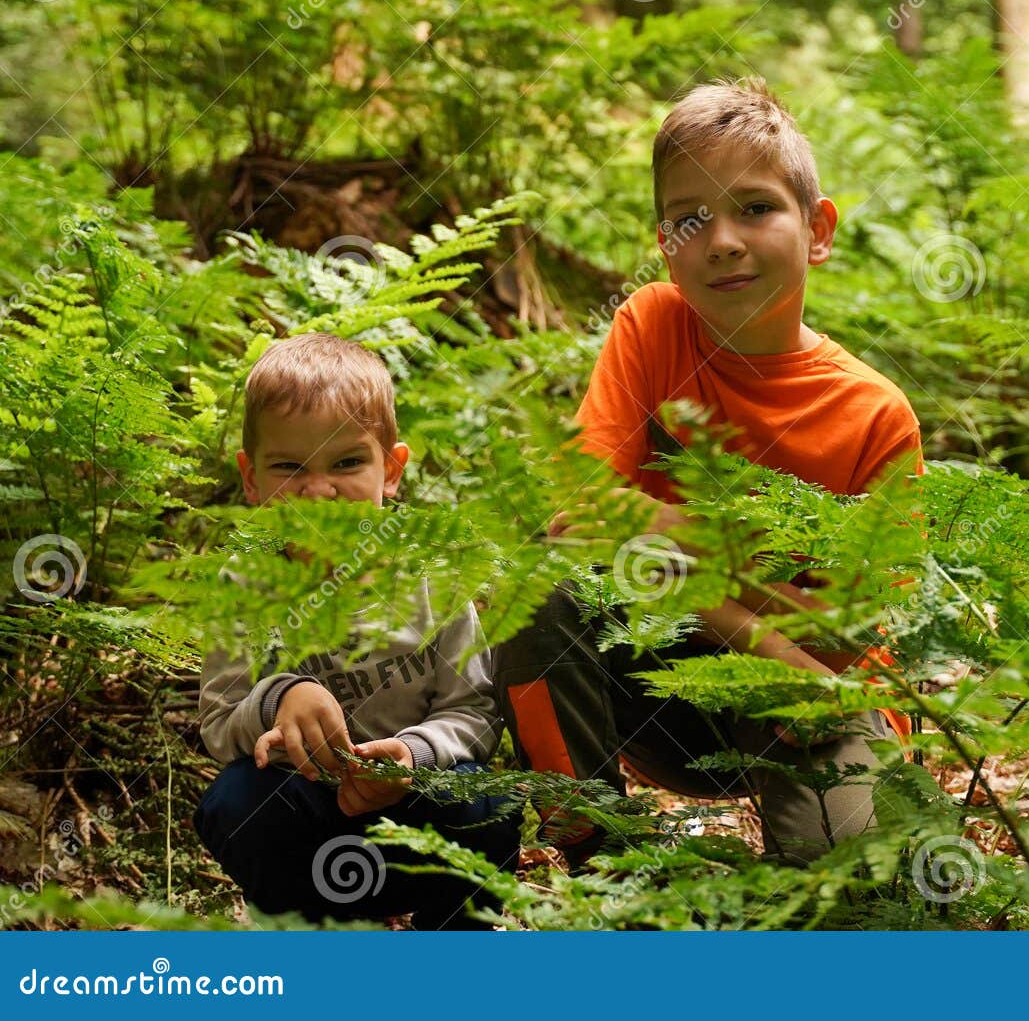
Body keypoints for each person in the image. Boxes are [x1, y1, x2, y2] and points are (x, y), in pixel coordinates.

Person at [495, 77, 922, 865]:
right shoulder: (654, 324)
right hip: (665, 696)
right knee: (540, 589)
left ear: (818, 229)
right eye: (691, 217)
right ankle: (602, 865)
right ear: (665, 244)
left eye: (755, 207)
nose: (721, 239)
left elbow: (846, 634)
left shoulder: (876, 414)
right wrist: (748, 601)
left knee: (843, 884)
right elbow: (577, 518)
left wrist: (678, 549)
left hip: (816, 704)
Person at [195, 333, 519, 929]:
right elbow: (220, 726)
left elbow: (474, 712)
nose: (319, 491)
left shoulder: (432, 578)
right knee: (235, 802)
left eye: (347, 462)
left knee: (491, 804)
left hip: (417, 819)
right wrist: (277, 699)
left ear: (391, 470)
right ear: (251, 478)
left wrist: (415, 756)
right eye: (289, 467)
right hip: (303, 816)